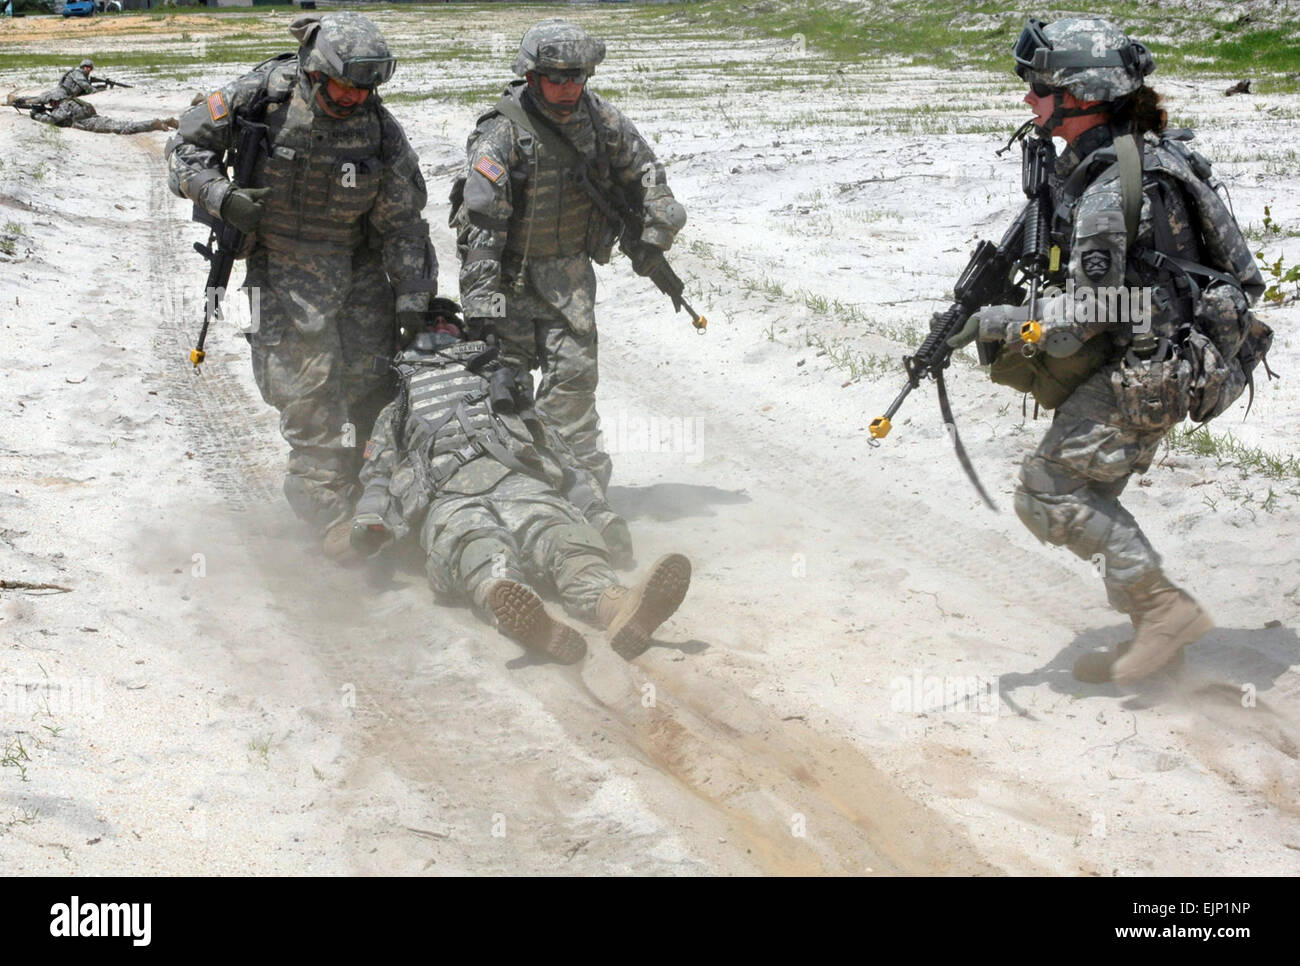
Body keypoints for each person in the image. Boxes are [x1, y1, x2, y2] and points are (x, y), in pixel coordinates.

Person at [947, 18, 1270, 684]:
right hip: (1178, 355)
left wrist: (1001, 323)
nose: (1029, 103)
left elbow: (1084, 319)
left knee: (1047, 492)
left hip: (1154, 370)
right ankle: (1157, 643)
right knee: (1089, 493)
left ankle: (1162, 613)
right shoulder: (1141, 155)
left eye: (1039, 90)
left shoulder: (1106, 193)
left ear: (1081, 94)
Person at [166, 12, 437, 556]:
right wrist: (221, 196)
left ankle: (374, 500)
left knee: (372, 389)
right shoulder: (258, 96)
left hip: (358, 273)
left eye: (367, 88)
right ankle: (330, 518)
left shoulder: (379, 127)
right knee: (308, 398)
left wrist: (413, 295)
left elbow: (404, 218)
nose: (356, 97)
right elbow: (182, 153)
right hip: (281, 268)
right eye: (345, 86)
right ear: (316, 71)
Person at [351, 306, 692, 664]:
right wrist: (370, 520)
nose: (440, 323)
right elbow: (377, 473)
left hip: (520, 479)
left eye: (449, 319)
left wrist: (597, 512)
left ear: (465, 335)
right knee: (480, 547)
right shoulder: (396, 407)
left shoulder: (502, 386)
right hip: (449, 495)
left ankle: (615, 606)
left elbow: (561, 454)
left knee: (563, 536)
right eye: (431, 320)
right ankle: (525, 619)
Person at [455, 19, 687, 510]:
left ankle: (581, 499)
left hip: (570, 281)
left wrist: (654, 237)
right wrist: (481, 310)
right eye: (556, 78)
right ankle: (514, 500)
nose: (567, 88)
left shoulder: (604, 122)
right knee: (504, 394)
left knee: (575, 393)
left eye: (576, 77)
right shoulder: (502, 134)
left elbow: (652, 185)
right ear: (532, 77)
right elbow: (480, 231)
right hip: (507, 280)